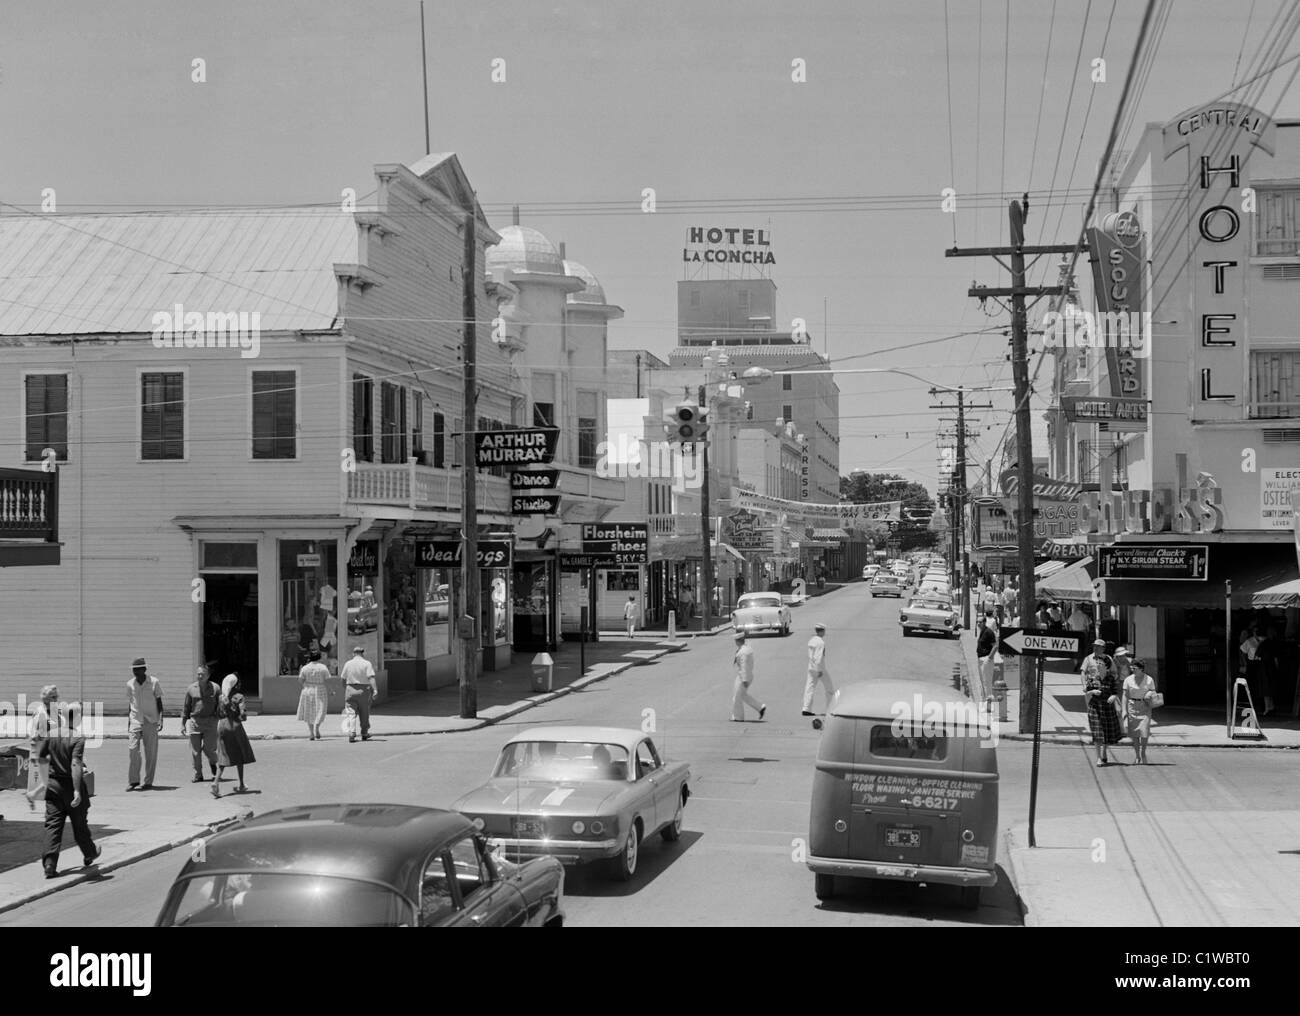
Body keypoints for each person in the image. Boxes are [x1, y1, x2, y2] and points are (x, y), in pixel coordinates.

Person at [39, 702, 100, 879]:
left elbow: (41, 757)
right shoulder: (77, 738)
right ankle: (89, 853)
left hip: (53, 786)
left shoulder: (50, 735)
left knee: (53, 825)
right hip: (70, 785)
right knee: (79, 823)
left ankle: (50, 864)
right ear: (78, 717)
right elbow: (75, 764)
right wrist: (76, 791)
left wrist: (46, 779)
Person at [213, 675, 254, 797]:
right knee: (239, 754)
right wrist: (243, 716)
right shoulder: (238, 697)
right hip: (235, 727)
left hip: (222, 726)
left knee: (224, 755)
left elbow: (218, 713)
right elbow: (242, 715)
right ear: (236, 685)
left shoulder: (222, 697)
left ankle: (216, 782)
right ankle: (241, 784)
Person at [126, 656, 163, 791]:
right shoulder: (130, 684)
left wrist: (160, 719)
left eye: (137, 669)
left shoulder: (154, 682)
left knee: (151, 752)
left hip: (150, 720)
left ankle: (148, 781)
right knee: (133, 749)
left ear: (144, 669)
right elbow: (130, 703)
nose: (135, 672)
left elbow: (159, 702)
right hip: (135, 719)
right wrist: (128, 722)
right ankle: (134, 780)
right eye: (133, 670)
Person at [1082, 639, 1121, 766]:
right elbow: (1083, 673)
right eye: (1094, 646)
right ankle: (1099, 757)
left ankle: (1104, 752)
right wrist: (1089, 689)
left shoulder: (1109, 660)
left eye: (1098, 647)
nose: (1096, 648)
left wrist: (1112, 693)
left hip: (1106, 703)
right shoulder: (1088, 659)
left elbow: (1115, 678)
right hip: (1094, 702)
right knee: (1097, 731)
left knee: (1106, 730)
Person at [182, 665, 221, 783]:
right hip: (195, 722)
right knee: (195, 751)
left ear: (208, 675)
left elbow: (220, 705)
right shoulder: (191, 689)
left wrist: (218, 717)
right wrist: (183, 724)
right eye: (198, 674)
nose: (200, 676)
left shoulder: (215, 688)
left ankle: (214, 765)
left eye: (202, 674)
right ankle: (198, 774)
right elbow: (186, 707)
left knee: (209, 749)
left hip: (210, 722)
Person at [24, 685, 58, 810]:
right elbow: (32, 734)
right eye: (54, 697)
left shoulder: (53, 710)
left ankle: (32, 795)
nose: (57, 699)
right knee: (49, 780)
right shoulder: (39, 712)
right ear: (47, 699)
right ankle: (51, 808)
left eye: (57, 696)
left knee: (52, 779)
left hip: (53, 749)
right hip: (42, 751)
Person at [1122, 658, 1158, 765]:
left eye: (1135, 668)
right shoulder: (1128, 680)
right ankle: (1137, 755)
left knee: (1144, 732)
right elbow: (1125, 695)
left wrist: (1149, 694)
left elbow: (1153, 692)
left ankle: (1143, 752)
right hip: (1132, 706)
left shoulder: (1149, 679)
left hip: (1145, 706)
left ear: (1141, 669)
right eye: (1132, 667)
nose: (1133, 669)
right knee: (1135, 733)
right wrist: (1124, 710)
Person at [340, 645, 378, 743]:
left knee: (351, 713)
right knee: (364, 712)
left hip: (350, 689)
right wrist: (375, 690)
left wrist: (346, 688)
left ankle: (352, 732)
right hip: (364, 690)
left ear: (353, 654)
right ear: (362, 653)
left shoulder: (348, 663)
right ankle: (364, 733)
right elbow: (371, 678)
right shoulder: (367, 663)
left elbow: (343, 679)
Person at [296, 648, 332, 740]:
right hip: (320, 690)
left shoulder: (305, 667)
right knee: (320, 710)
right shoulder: (323, 667)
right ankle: (317, 728)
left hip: (308, 690)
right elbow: (328, 680)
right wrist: (331, 691)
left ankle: (311, 733)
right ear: (319, 658)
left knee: (309, 711)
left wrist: (306, 686)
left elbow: (300, 680)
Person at [730, 631, 766, 722]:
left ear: (738, 641)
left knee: (737, 697)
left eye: (736, 640)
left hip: (743, 676)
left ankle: (738, 717)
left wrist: (744, 679)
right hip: (745, 675)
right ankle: (760, 707)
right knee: (742, 695)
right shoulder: (745, 648)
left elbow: (744, 666)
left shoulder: (743, 652)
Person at [802, 623, 835, 716]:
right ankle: (830, 709)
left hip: (811, 667)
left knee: (809, 687)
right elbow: (818, 657)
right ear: (822, 631)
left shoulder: (811, 640)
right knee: (829, 688)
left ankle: (806, 708)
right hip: (819, 668)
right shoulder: (820, 642)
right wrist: (819, 670)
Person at [976, 611, 998, 687]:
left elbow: (995, 646)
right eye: (977, 622)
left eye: (980, 622)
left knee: (986, 683)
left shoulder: (989, 632)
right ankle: (984, 699)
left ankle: (987, 698)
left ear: (984, 622)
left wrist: (989, 658)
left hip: (986, 660)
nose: (978, 624)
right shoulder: (982, 631)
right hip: (980, 659)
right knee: (982, 682)